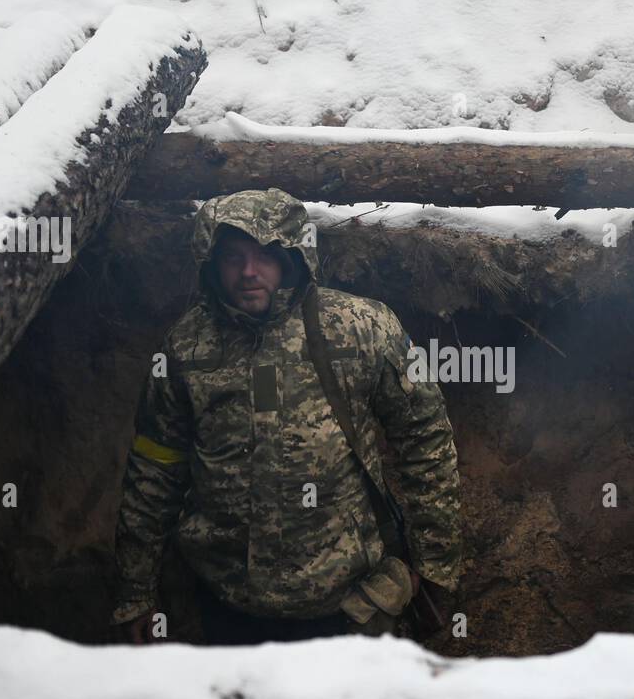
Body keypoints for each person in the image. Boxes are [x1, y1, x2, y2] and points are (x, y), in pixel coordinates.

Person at [111, 188, 461, 644]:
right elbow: (154, 472)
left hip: (347, 609)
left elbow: (426, 444)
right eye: (234, 257)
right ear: (211, 264)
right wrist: (135, 592)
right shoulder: (185, 348)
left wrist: (436, 566)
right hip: (223, 608)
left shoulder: (363, 328)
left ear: (293, 258)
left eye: (264, 255)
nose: (249, 272)